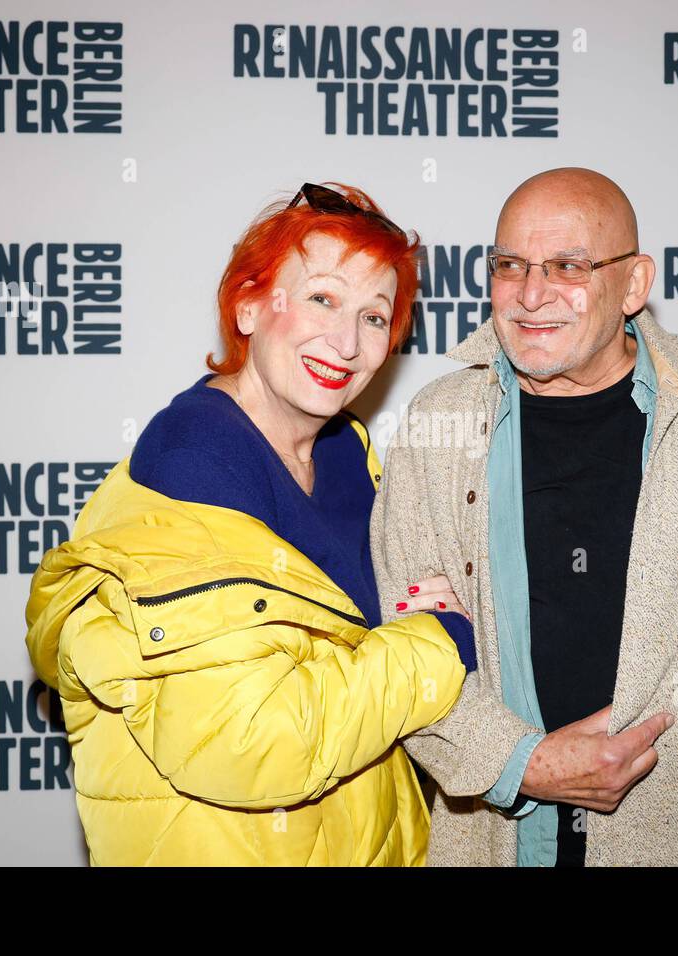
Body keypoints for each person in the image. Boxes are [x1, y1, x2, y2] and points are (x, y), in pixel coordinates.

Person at [371, 167, 678, 866]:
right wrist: (529, 765)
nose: (529, 293)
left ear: (634, 285)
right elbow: (407, 671)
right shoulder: (438, 424)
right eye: (509, 265)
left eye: (568, 266)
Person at [24, 182, 474, 866]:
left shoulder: (350, 454)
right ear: (249, 305)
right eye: (322, 298)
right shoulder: (191, 467)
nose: (347, 341)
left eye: (375, 317)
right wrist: (440, 640)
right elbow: (254, 740)